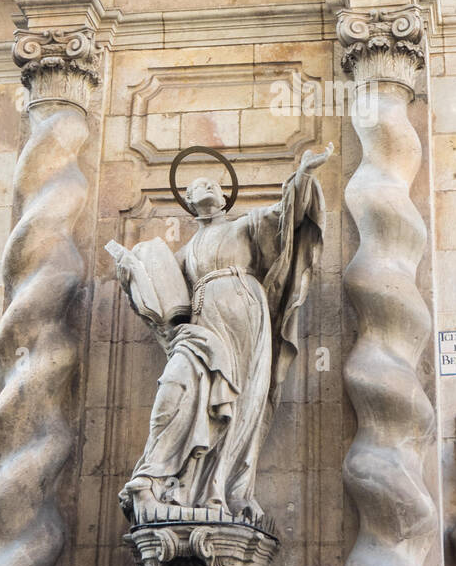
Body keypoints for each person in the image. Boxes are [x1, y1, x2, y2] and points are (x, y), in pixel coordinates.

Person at [111, 144, 332, 525]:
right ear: (190, 201)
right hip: (203, 324)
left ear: (223, 196)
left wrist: (303, 176)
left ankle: (225, 486)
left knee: (243, 396)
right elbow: (162, 297)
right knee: (183, 382)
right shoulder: (184, 254)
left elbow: (285, 217)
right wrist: (133, 274)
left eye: (212, 182)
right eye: (197, 184)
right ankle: (181, 482)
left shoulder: (244, 226)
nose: (205, 186)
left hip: (245, 312)